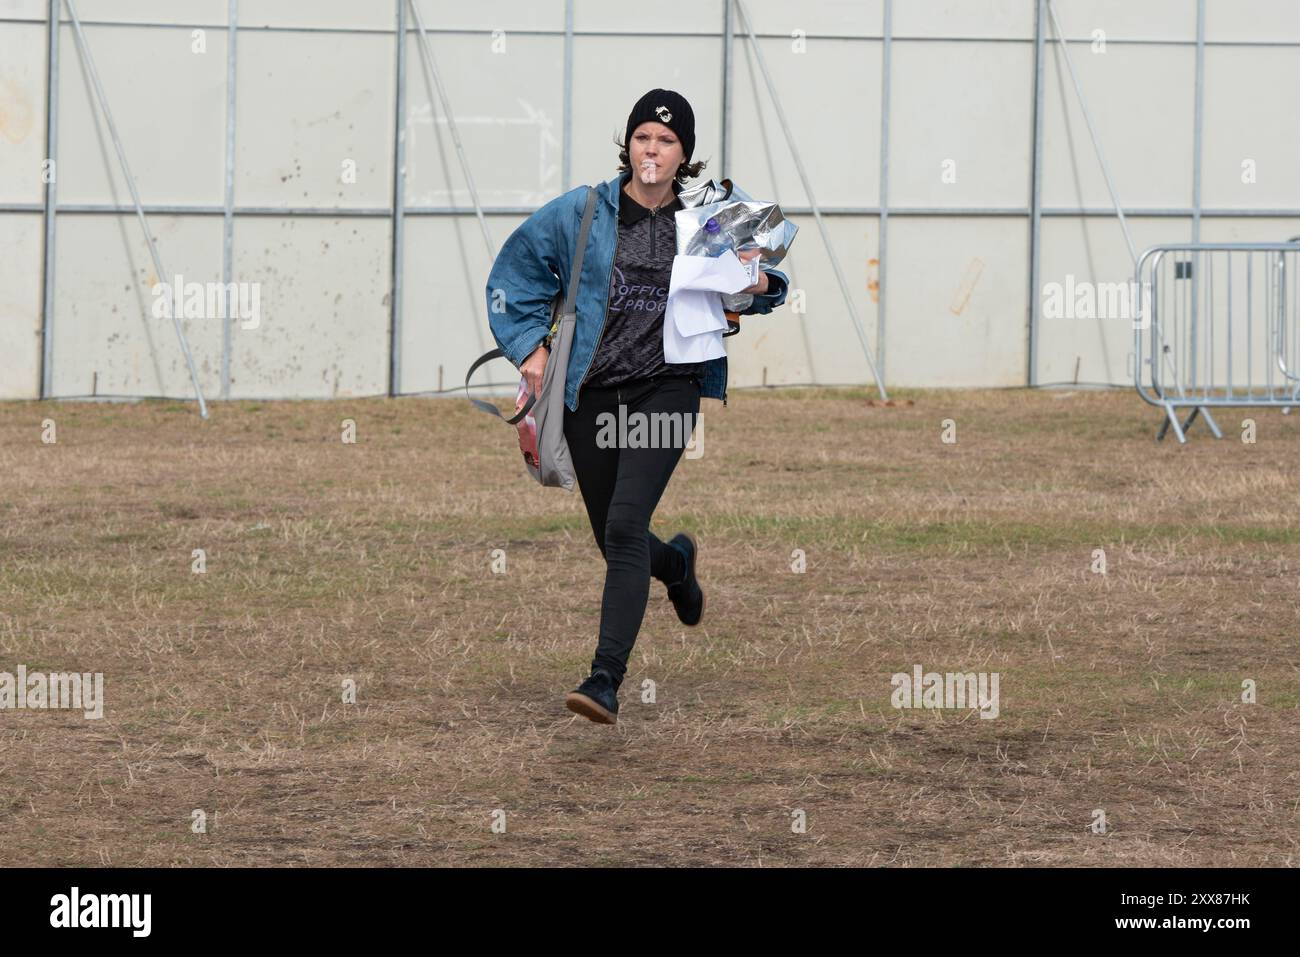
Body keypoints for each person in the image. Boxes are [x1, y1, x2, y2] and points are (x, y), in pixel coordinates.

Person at [485, 89, 790, 725]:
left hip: (667, 388)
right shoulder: (584, 211)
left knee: (625, 526)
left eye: (667, 141)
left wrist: (757, 284)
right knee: (611, 538)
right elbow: (516, 274)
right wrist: (529, 352)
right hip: (591, 394)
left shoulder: (708, 221)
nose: (653, 150)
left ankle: (603, 679)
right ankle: (675, 562)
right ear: (628, 146)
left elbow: (769, 282)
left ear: (685, 156)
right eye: (644, 138)